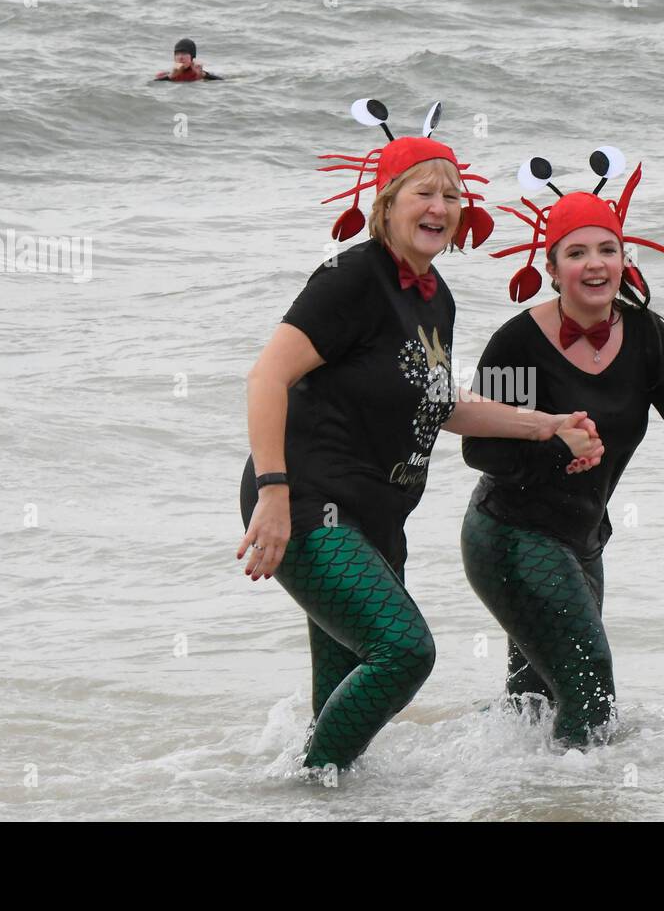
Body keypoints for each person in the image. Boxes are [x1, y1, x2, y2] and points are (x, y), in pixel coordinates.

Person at [236, 101, 604, 772]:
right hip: (310, 504)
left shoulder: (436, 296)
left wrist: (544, 426)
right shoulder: (352, 278)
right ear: (386, 204)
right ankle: (291, 792)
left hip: (376, 517)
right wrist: (272, 492)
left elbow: (443, 406)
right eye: (423, 193)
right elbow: (266, 377)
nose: (441, 206)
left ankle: (318, 797)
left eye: (453, 195)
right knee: (405, 652)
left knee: (341, 709)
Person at [460, 149, 664, 748]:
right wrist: (553, 440)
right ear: (551, 268)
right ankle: (588, 803)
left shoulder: (648, 337)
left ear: (626, 258)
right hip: (511, 536)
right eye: (576, 253)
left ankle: (515, 799)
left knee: (534, 705)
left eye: (607, 250)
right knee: (591, 685)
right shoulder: (519, 342)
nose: (594, 265)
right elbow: (481, 448)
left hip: (585, 542)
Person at [154, 37, 224, 82]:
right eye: (177, 54)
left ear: (192, 57)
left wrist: (202, 75)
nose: (180, 57)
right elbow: (152, 84)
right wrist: (171, 76)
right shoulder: (166, 74)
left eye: (184, 53)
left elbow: (222, 82)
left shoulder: (200, 73)